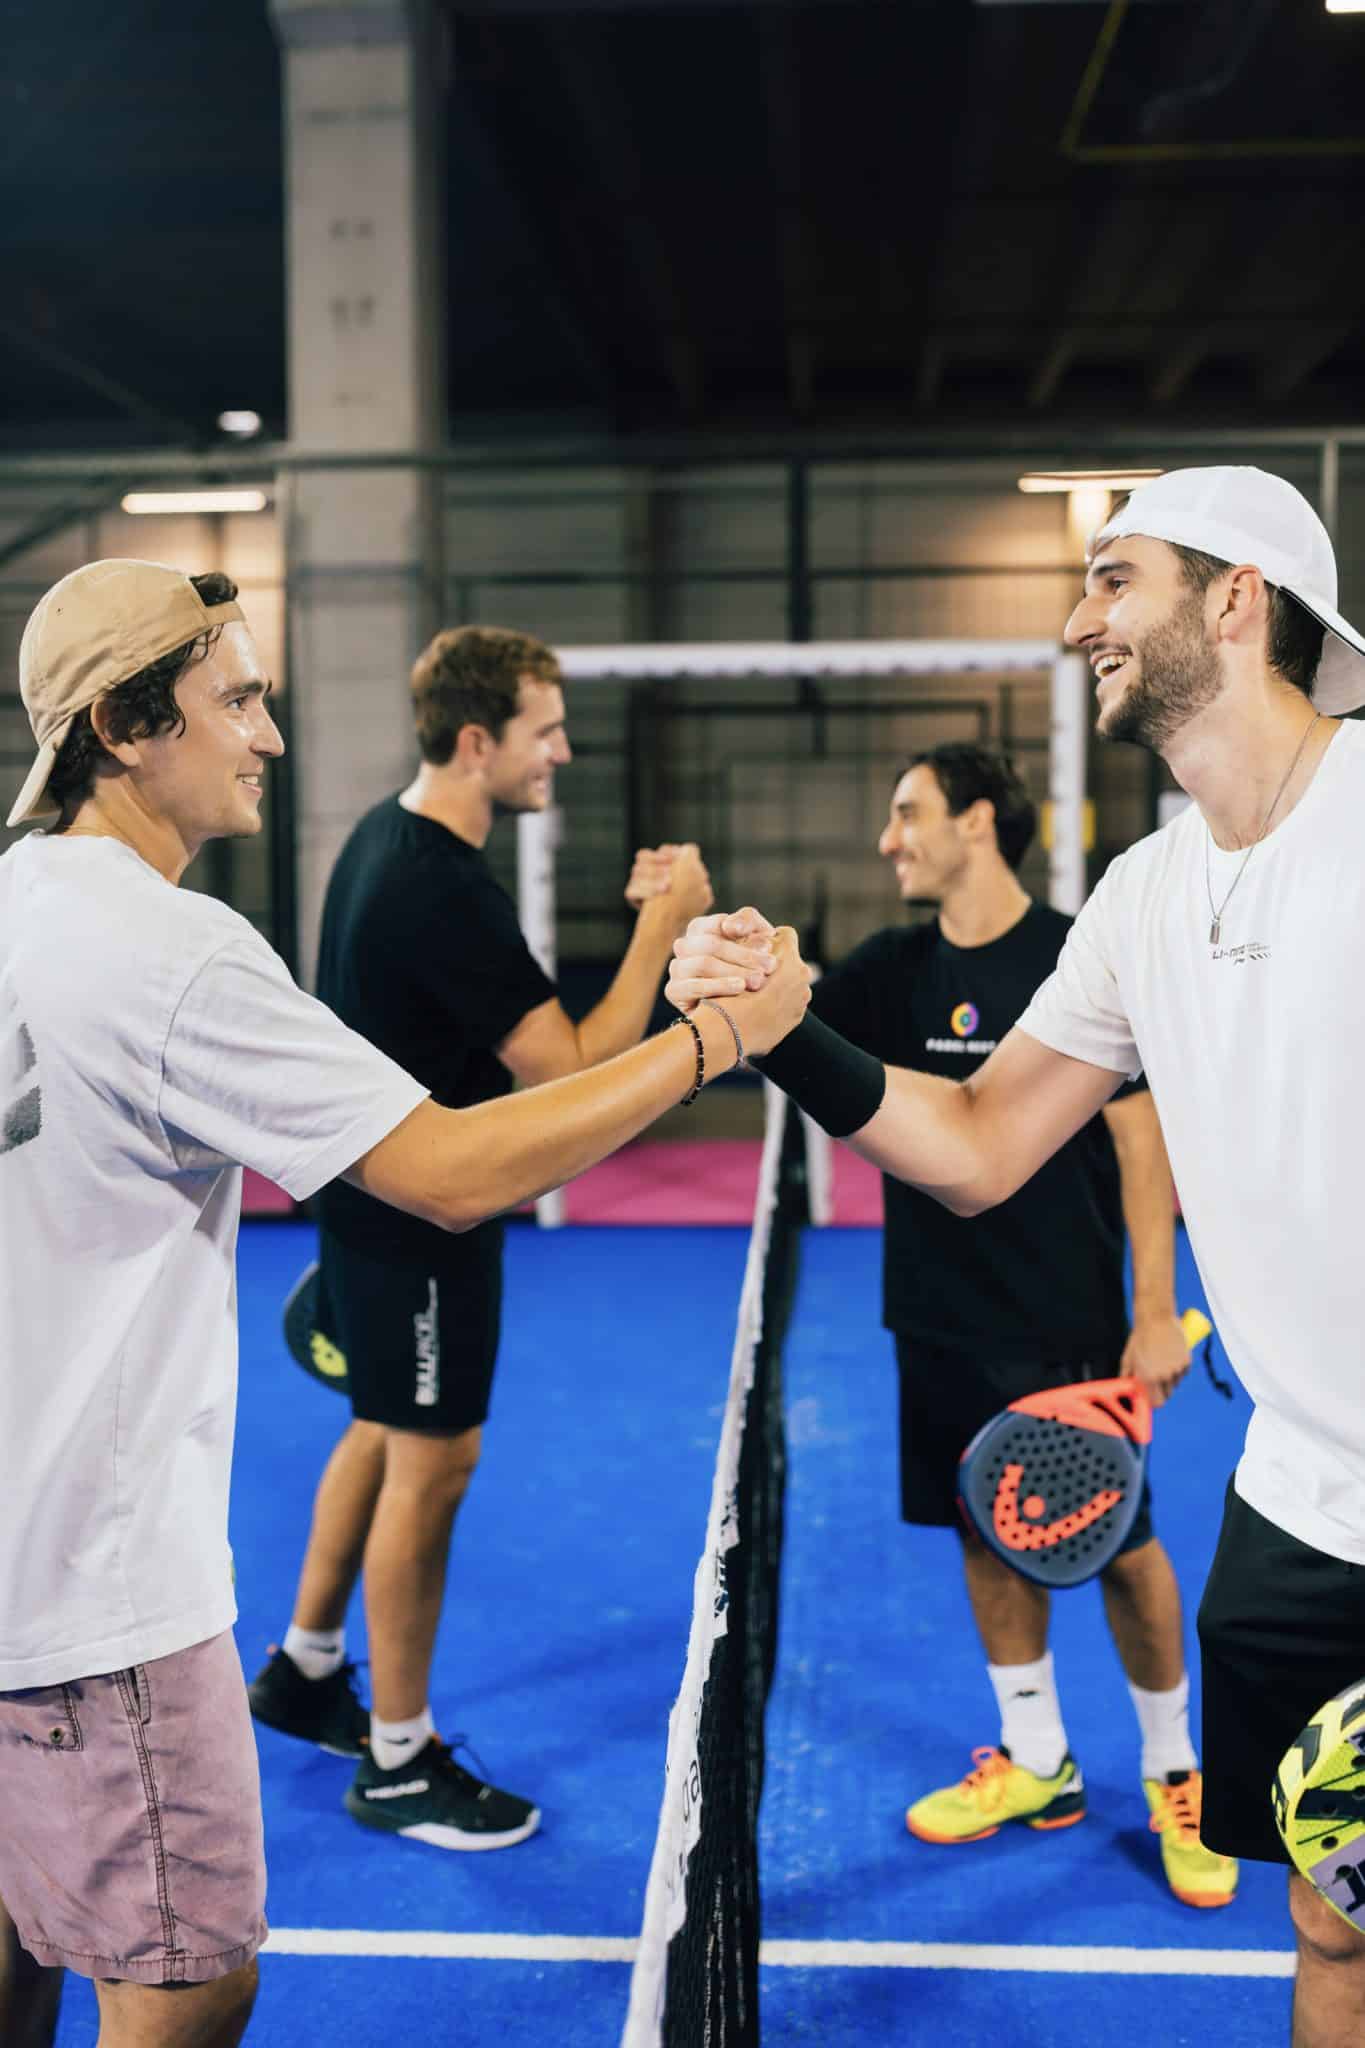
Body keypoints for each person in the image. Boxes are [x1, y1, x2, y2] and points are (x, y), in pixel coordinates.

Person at [0, 559, 806, 2048]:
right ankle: (394, 1738)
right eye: (235, 698)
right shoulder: (167, 942)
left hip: (20, 1558)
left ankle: (312, 1664)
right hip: (89, 1595)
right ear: (125, 724)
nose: (270, 734)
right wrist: (714, 1039)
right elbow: (446, 1164)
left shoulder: (19, 908)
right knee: (186, 1980)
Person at [669, 465, 1365, 2043]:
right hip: (1303, 1507)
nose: (1076, 620)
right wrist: (789, 1036)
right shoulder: (1140, 895)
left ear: (1236, 597)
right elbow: (980, 1146)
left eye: (1114, 581)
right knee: (1328, 1929)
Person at [248, 624, 714, 1850]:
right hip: (423, 1223)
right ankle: (400, 1758)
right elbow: (565, 1072)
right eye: (544, 730)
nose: (562, 749)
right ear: (477, 740)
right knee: (432, 1461)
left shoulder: (382, 838)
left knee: (378, 1426)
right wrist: (666, 927)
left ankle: (303, 1667)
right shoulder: (439, 885)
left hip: (363, 1206)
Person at [806, 739, 1234, 1906]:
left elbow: (1141, 1143)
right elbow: (779, 1024)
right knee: (986, 1530)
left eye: (910, 813)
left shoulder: (1071, 957)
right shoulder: (889, 967)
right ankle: (1037, 1756)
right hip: (937, 1318)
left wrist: (1154, 1308)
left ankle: (1173, 1768)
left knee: (1123, 1550)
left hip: (1067, 1318)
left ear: (979, 820)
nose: (891, 837)